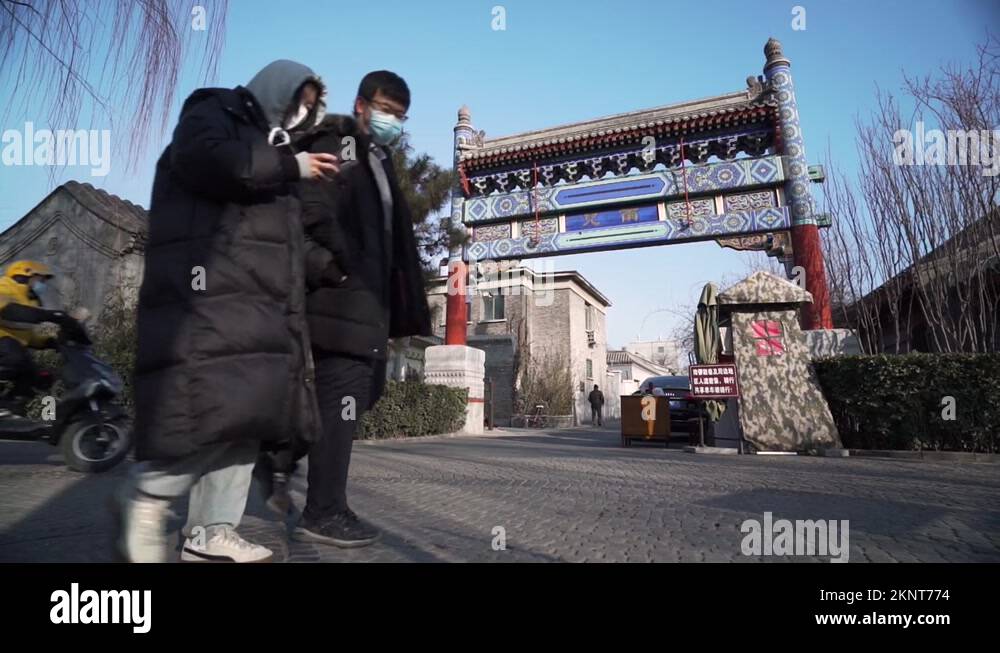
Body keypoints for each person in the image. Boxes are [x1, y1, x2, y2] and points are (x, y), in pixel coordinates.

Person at [114, 60, 338, 563]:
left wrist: (333, 267)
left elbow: (287, 239)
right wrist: (293, 167)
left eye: (310, 106)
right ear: (277, 87)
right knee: (207, 411)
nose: (302, 113)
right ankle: (147, 496)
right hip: (209, 294)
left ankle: (211, 532)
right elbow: (215, 162)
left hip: (260, 306)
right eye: (299, 99)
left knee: (248, 416)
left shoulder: (277, 151)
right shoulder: (213, 112)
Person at [257, 70, 432, 548]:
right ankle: (324, 509)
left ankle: (272, 456)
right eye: (385, 109)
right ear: (361, 105)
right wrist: (329, 269)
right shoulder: (339, 143)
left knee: (362, 394)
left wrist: (402, 306)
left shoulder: (380, 161)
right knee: (343, 401)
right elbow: (306, 209)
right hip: (337, 300)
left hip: (368, 305)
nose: (391, 120)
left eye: (399, 115)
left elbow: (393, 244)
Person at [0, 261, 89, 414]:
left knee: (38, 378)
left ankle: (10, 410)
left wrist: (51, 342)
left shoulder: (30, 300)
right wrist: (54, 315)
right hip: (5, 343)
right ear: (25, 275)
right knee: (15, 357)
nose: (42, 284)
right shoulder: (5, 286)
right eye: (40, 279)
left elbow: (27, 334)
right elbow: (10, 311)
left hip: (9, 342)